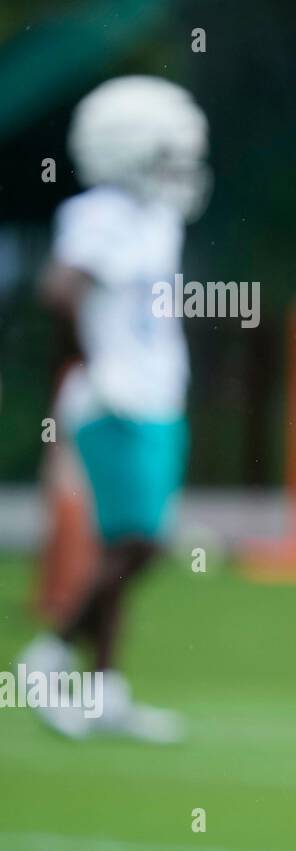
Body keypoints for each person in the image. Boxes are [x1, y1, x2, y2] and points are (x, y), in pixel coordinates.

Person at [18, 76, 209, 743]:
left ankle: (104, 692)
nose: (179, 167)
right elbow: (59, 287)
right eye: (166, 152)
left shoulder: (155, 215)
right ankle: (47, 658)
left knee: (121, 546)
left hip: (156, 393)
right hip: (116, 396)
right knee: (141, 541)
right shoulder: (99, 212)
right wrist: (98, 364)